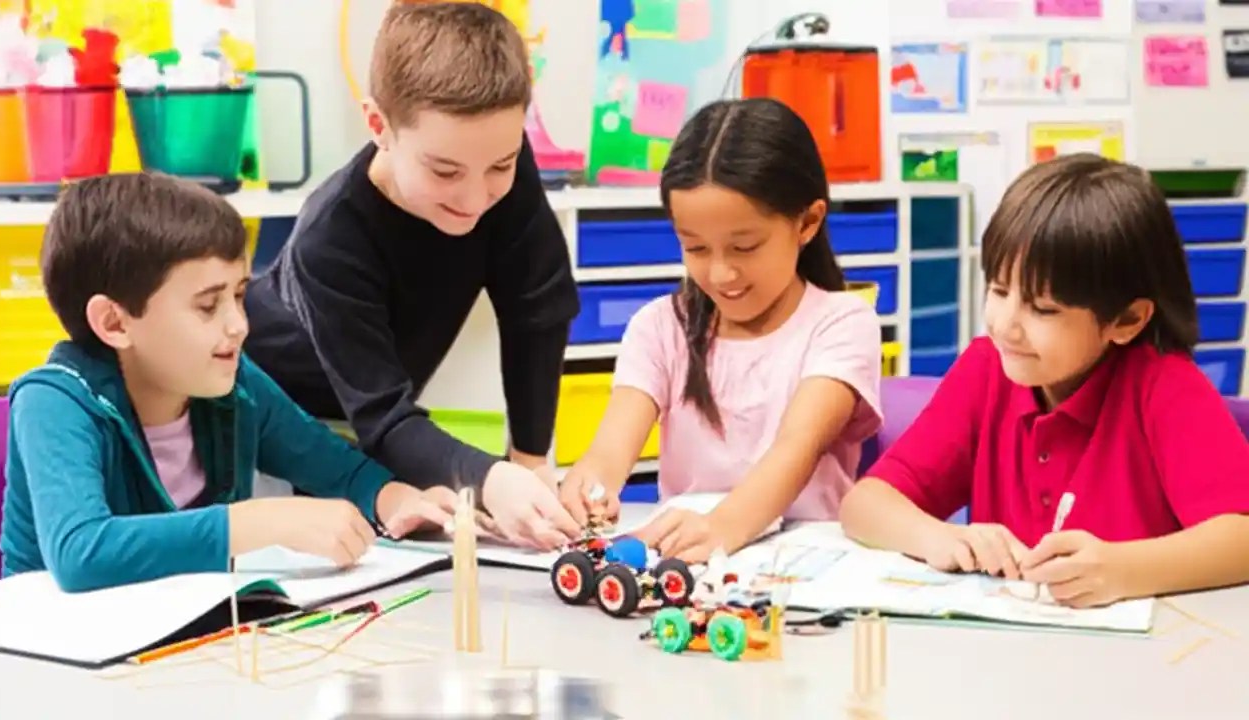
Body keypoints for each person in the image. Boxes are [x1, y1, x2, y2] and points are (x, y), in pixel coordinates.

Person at [0, 173, 458, 593]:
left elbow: (338, 469)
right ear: (115, 323)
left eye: (239, 296)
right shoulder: (54, 401)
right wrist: (256, 522)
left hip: (181, 650)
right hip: (56, 664)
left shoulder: (234, 383)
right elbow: (83, 552)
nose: (239, 325)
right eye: (207, 306)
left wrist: (397, 501)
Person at [839, 154, 1249, 608]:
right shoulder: (986, 369)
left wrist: (1123, 570)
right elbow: (865, 505)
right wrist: (937, 537)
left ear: (1128, 319)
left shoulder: (1163, 386)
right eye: (998, 290)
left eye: (1044, 309)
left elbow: (1242, 538)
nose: (1006, 325)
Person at [242, 2, 579, 550]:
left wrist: (531, 460)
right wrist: (492, 480)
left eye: (502, 165)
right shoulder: (331, 238)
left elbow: (537, 307)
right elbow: (384, 419)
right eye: (444, 170)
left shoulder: (495, 162)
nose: (477, 199)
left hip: (377, 420)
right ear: (379, 125)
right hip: (277, 418)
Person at [558, 98, 884, 563]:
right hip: (689, 562)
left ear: (807, 222)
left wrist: (723, 528)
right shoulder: (659, 327)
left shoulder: (841, 324)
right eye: (695, 247)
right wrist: (589, 489)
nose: (720, 273)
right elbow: (610, 451)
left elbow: (796, 447)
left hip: (804, 565)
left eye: (745, 247)